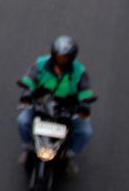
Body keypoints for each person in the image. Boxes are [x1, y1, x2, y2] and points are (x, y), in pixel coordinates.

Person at [17, 36, 95, 167]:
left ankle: (69, 156)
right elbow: (29, 80)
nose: (61, 59)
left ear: (71, 57)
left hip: (68, 108)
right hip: (41, 103)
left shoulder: (79, 71)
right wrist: (26, 95)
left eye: (64, 57)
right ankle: (27, 148)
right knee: (22, 121)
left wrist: (84, 107)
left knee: (85, 132)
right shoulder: (41, 63)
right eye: (58, 55)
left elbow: (85, 92)